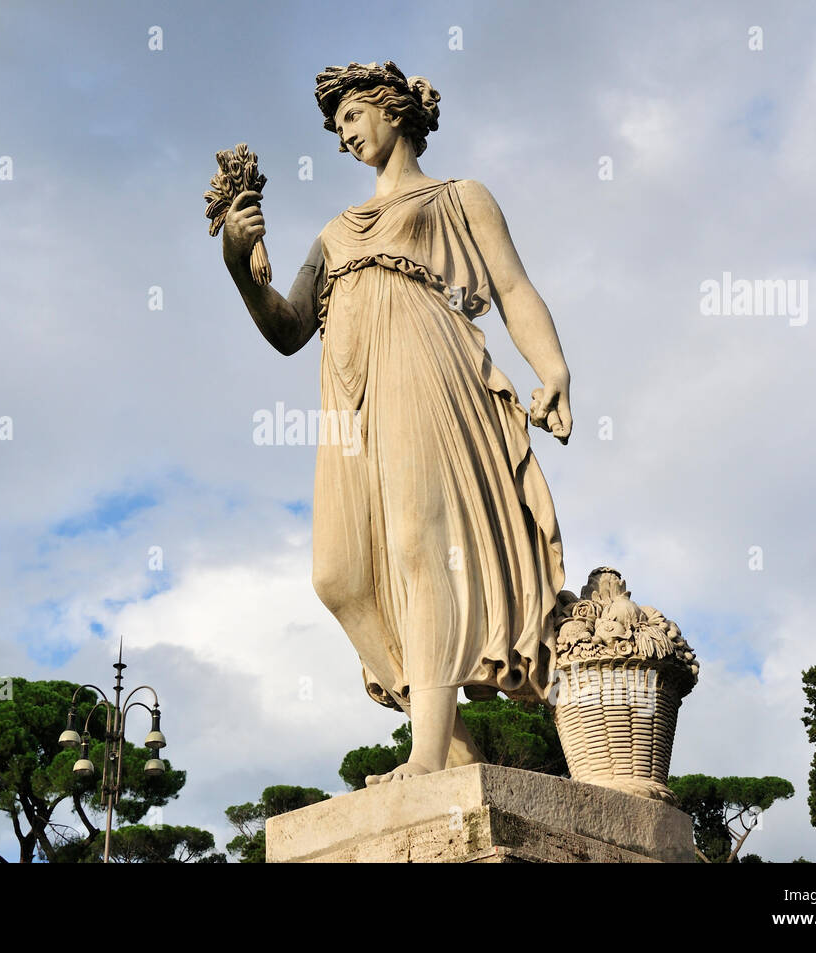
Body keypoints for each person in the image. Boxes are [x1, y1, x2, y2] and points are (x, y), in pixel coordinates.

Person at [223, 61, 571, 784]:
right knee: (338, 574)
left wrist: (553, 369)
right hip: (349, 392)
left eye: (352, 117)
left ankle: (427, 750)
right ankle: (448, 740)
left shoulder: (458, 197)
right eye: (337, 126)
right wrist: (236, 260)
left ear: (393, 111)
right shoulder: (335, 231)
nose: (345, 135)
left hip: (428, 367)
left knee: (420, 547)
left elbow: (511, 286)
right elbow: (288, 329)